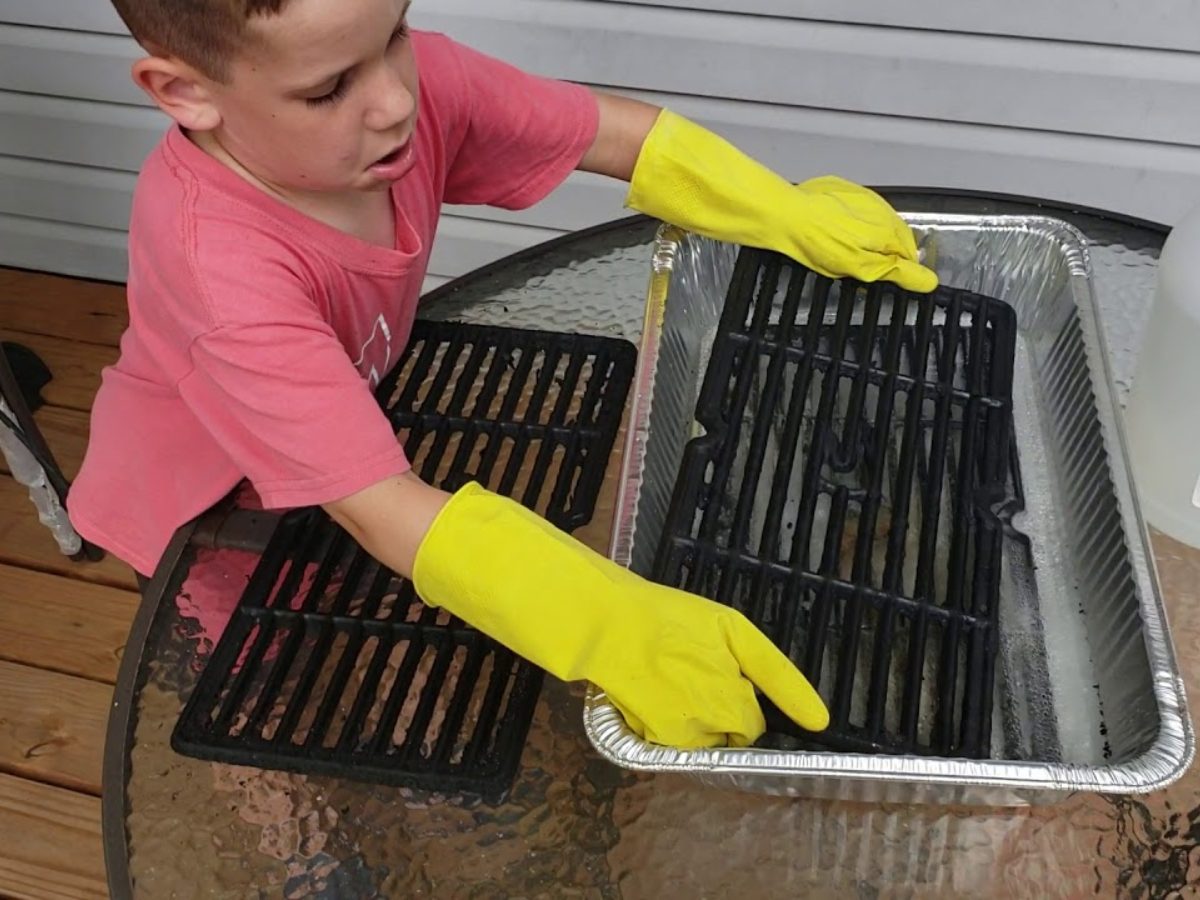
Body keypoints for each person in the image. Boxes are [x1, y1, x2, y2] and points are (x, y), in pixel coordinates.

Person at [70, 0, 937, 749]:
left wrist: (774, 205)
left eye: (398, 30)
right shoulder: (219, 269)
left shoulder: (393, 93)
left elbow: (609, 133)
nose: (395, 101)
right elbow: (381, 508)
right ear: (185, 94)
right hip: (208, 506)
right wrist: (608, 624)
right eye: (328, 89)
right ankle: (298, 838)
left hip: (341, 433)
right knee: (261, 690)